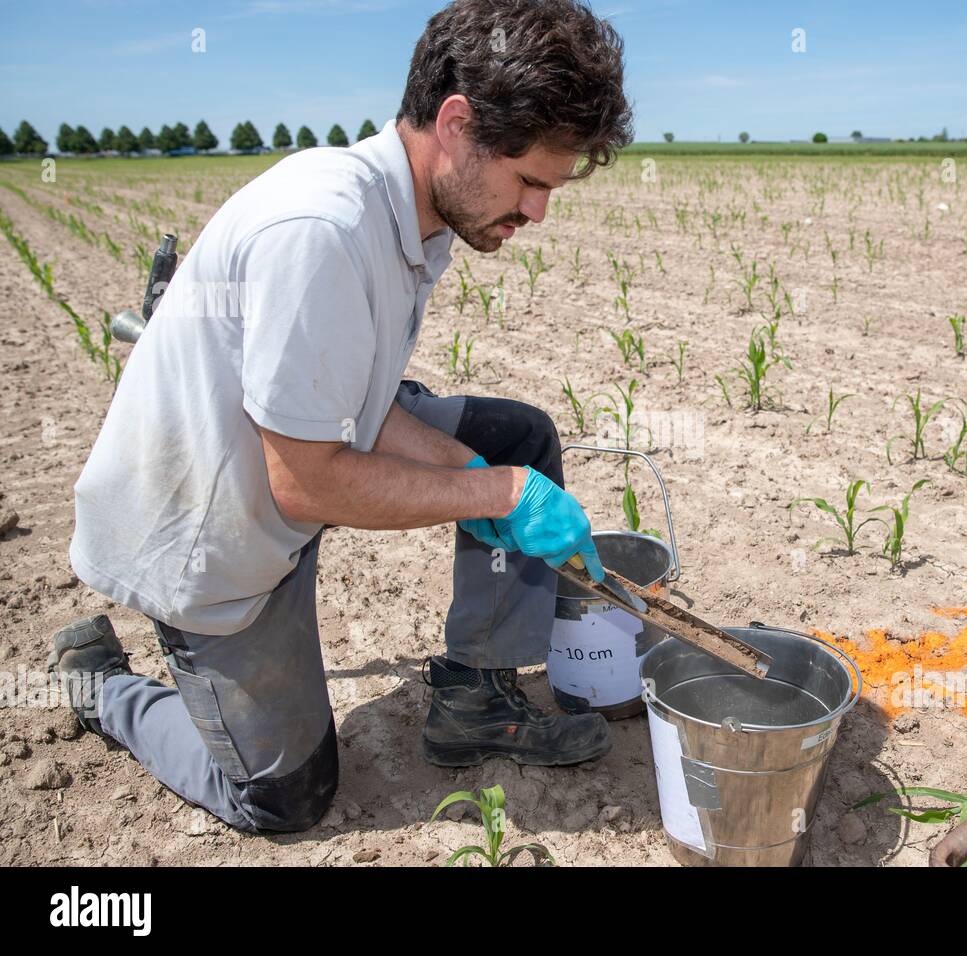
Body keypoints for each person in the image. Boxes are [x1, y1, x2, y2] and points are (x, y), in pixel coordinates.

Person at [48, 0, 634, 834]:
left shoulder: (417, 219)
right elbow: (305, 483)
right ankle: (104, 685)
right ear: (457, 124)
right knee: (284, 800)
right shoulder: (324, 230)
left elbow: (368, 408)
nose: (538, 211)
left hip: (289, 470)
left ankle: (477, 703)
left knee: (515, 440)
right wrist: (500, 497)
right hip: (211, 538)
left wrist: (475, 472)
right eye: (531, 181)